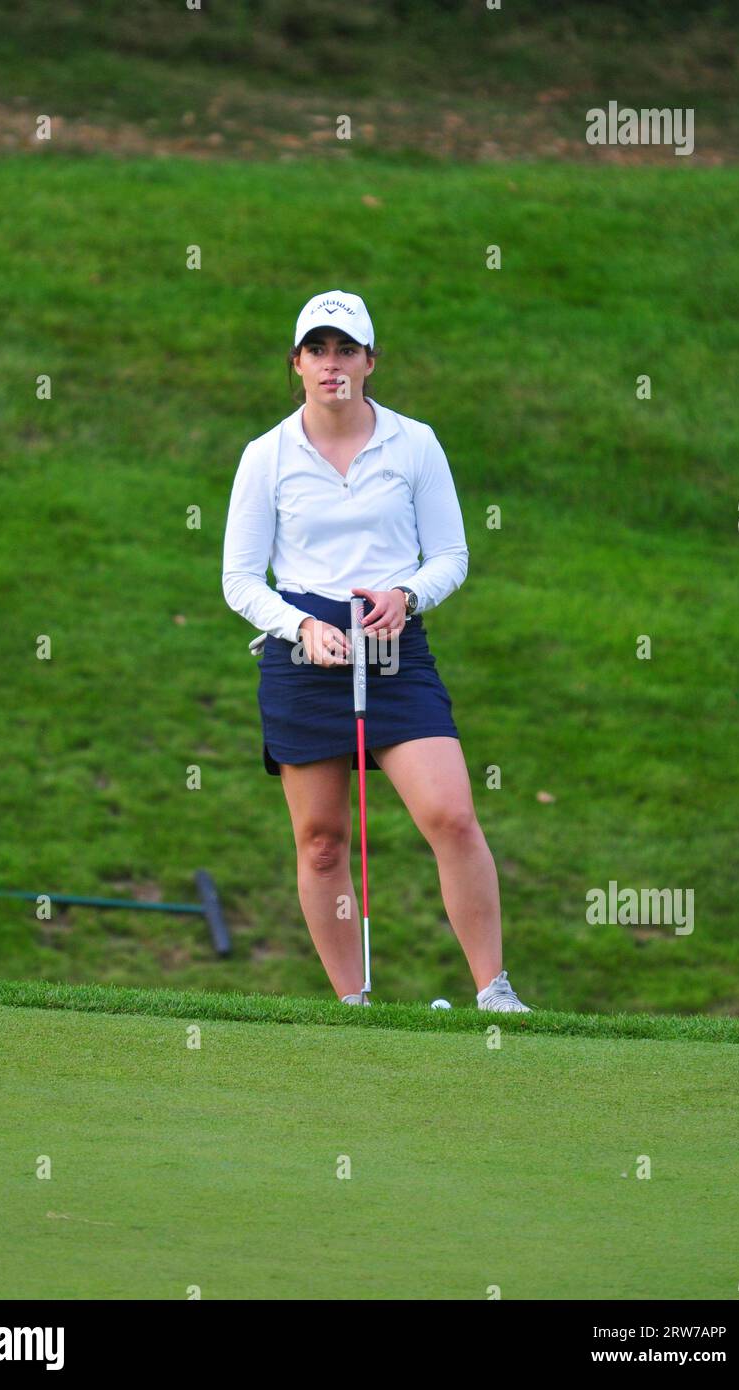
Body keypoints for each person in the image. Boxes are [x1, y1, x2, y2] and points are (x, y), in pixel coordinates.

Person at [222, 290, 531, 1013]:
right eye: (317, 350)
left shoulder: (414, 443)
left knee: (450, 815)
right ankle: (352, 1005)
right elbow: (240, 579)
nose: (332, 364)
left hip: (393, 653)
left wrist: (407, 594)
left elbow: (450, 555)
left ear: (370, 362)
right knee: (322, 843)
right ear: (297, 363)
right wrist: (299, 625)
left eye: (346, 350)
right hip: (304, 661)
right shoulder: (266, 456)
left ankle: (494, 992)